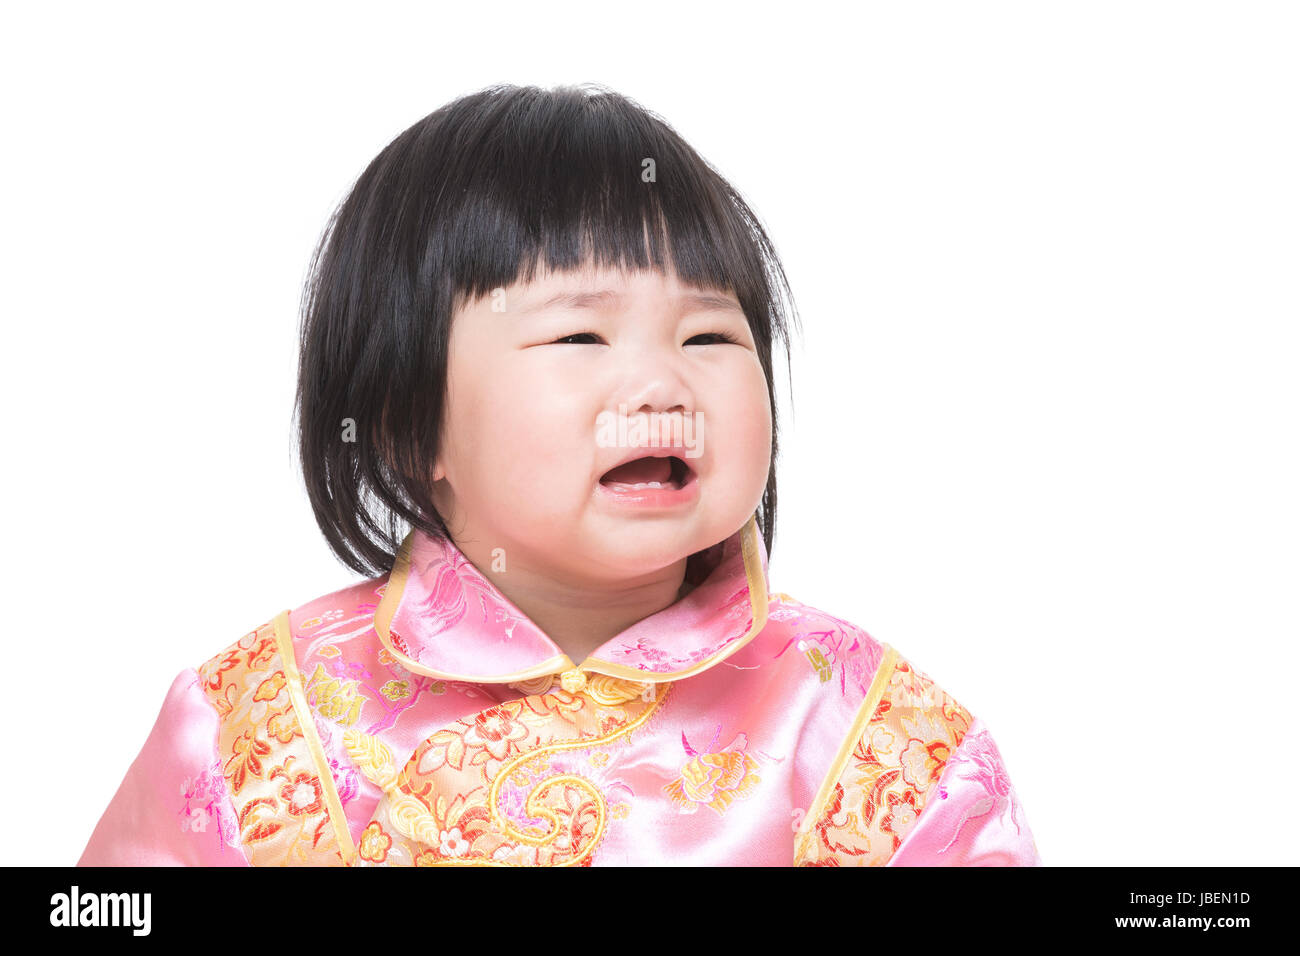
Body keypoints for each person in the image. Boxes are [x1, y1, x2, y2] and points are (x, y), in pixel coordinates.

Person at [78, 83, 1041, 866]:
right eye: (580, 334)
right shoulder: (264, 730)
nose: (663, 381)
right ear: (413, 428)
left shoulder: (876, 739)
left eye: (709, 334)